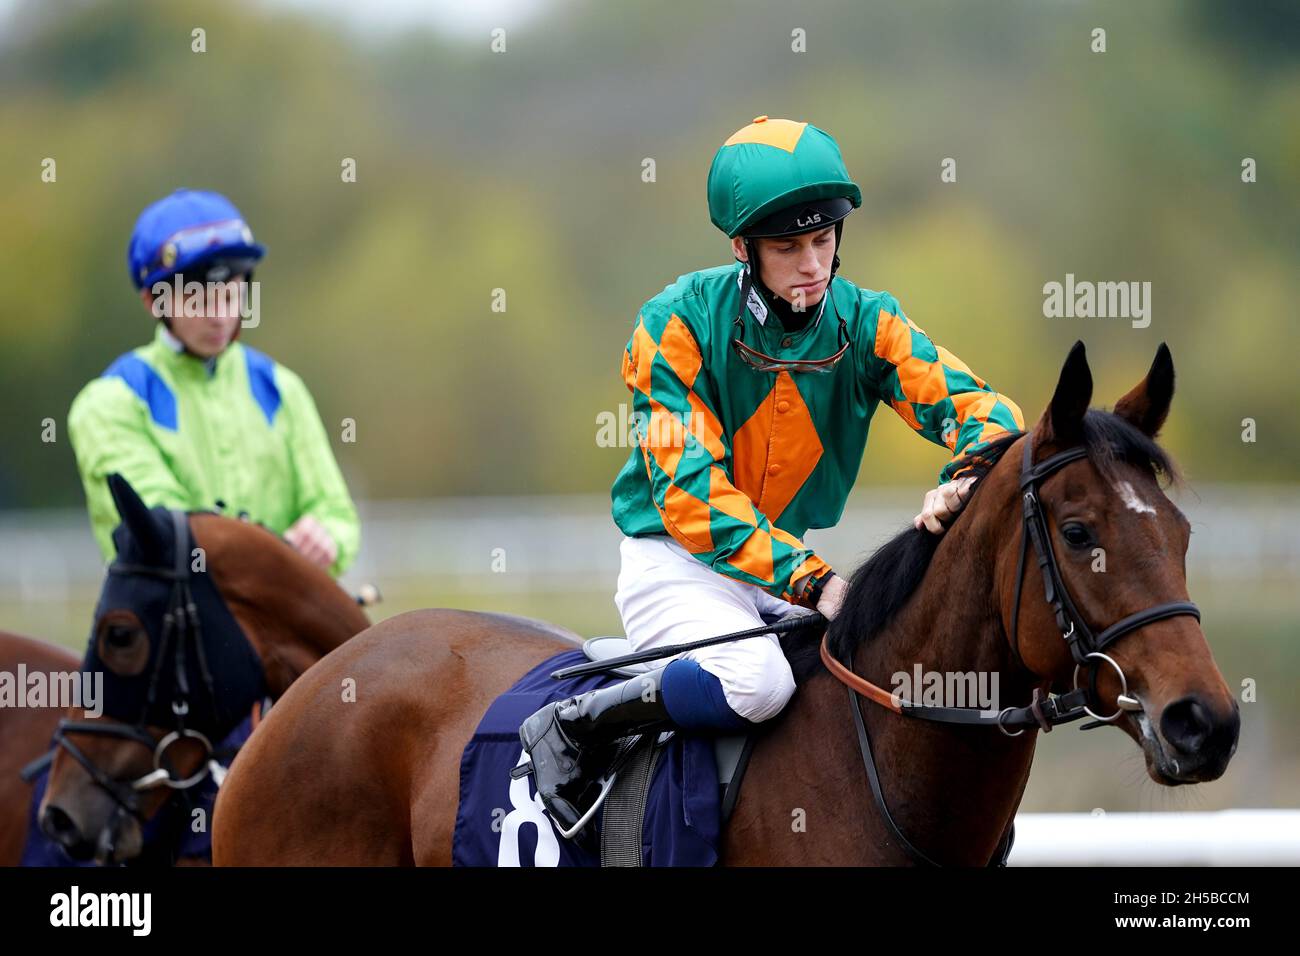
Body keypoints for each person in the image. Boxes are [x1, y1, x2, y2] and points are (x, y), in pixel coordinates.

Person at [521, 116, 1024, 832]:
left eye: (824, 241)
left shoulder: (870, 324)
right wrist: (815, 581)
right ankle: (581, 719)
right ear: (742, 249)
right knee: (758, 685)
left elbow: (987, 412)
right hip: (676, 562)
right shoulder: (674, 324)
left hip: (774, 577)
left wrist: (971, 473)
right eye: (788, 247)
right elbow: (693, 500)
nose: (813, 265)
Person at [67, 189, 359, 576]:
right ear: (153, 303)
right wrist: (279, 558)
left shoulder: (282, 388)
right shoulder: (107, 404)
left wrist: (327, 539)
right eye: (198, 300)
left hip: (279, 620)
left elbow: (337, 514)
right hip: (170, 625)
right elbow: (169, 537)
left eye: (231, 295)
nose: (220, 316)